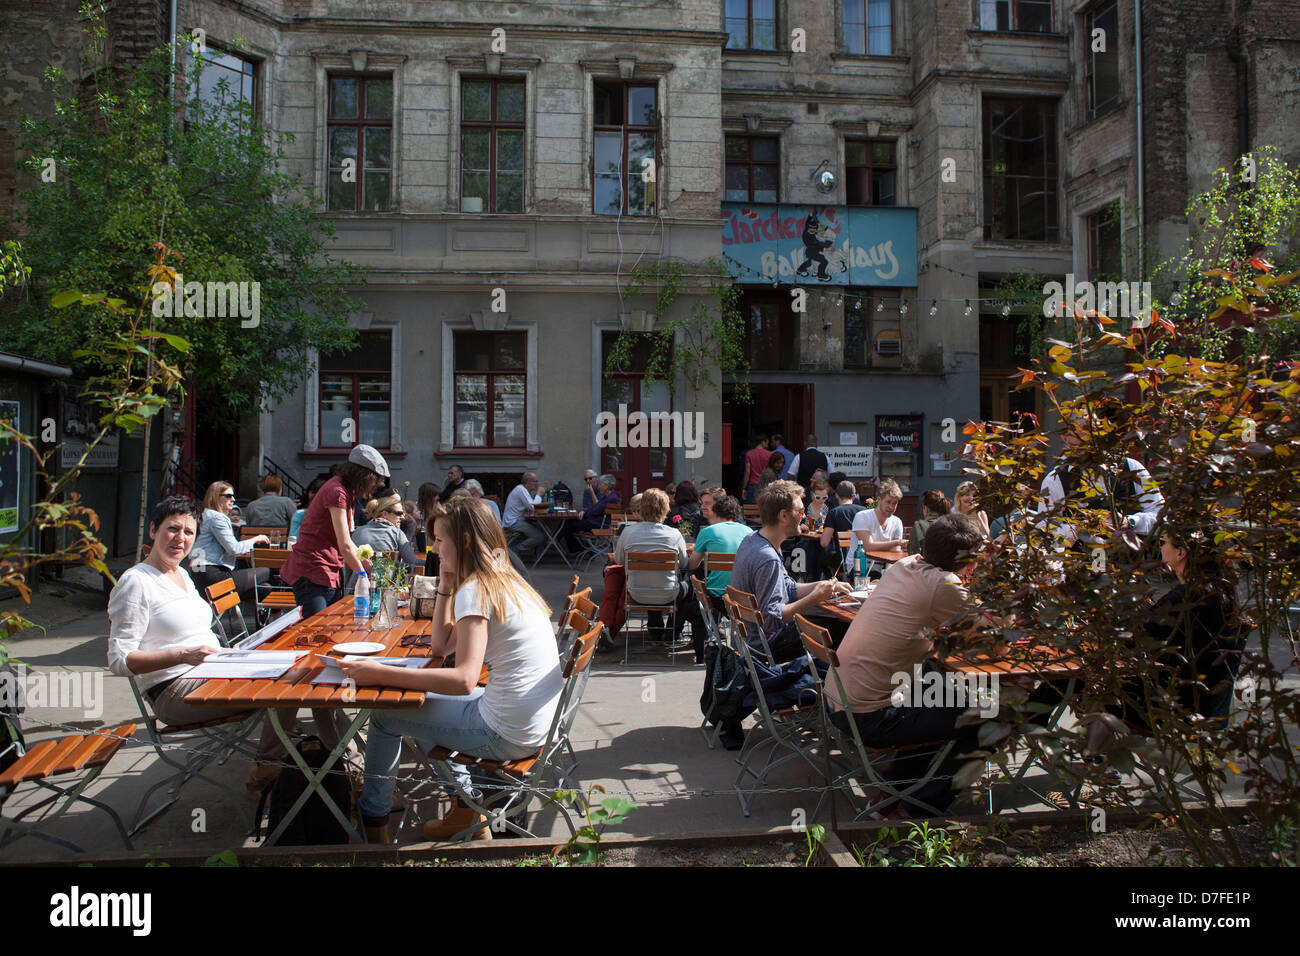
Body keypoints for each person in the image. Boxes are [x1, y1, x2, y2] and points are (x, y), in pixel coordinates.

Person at [346, 498, 564, 843]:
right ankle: (464, 808)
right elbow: (440, 647)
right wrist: (445, 582)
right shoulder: (503, 578)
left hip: (505, 733)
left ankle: (374, 824)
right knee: (416, 703)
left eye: (440, 540)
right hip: (532, 725)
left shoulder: (477, 589)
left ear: (463, 541)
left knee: (386, 714)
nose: (433, 547)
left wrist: (378, 673)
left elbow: (463, 679)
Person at [107, 497, 297, 799]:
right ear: (153, 531)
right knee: (290, 685)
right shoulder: (136, 582)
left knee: (302, 669)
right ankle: (270, 767)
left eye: (189, 532)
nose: (180, 539)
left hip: (213, 670)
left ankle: (314, 763)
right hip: (174, 691)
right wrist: (184, 655)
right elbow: (119, 661)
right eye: (172, 529)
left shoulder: (181, 574)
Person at [823, 513, 986, 817]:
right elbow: (993, 636)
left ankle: (893, 793)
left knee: (942, 695)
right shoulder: (944, 584)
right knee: (987, 714)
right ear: (967, 559)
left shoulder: (905, 564)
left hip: (839, 701)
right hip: (868, 717)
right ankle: (916, 810)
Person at [731, 480, 852, 663]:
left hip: (747, 641)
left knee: (829, 623)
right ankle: (834, 688)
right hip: (764, 646)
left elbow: (787, 587)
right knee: (843, 628)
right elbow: (772, 619)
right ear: (784, 516)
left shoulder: (753, 540)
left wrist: (821, 585)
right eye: (800, 511)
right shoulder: (767, 557)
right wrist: (815, 597)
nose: (804, 516)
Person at [280, 444, 389, 618]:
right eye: (374, 482)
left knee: (324, 629)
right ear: (364, 477)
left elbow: (348, 543)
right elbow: (345, 545)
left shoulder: (343, 490)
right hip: (312, 570)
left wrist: (367, 565)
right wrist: (362, 575)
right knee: (314, 631)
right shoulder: (337, 492)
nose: (374, 488)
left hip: (324, 571)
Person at [1038, 406, 1164, 544]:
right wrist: (1077, 529)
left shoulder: (1132, 468)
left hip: (1133, 560)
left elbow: (1161, 516)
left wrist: (1131, 522)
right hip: (1086, 561)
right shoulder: (1055, 480)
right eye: (1075, 446)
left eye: (1088, 445)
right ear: (1065, 439)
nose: (1083, 453)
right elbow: (1043, 534)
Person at [613, 488, 706, 661]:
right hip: (668, 594)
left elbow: (618, 560)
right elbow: (685, 564)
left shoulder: (627, 533)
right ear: (665, 509)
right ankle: (673, 631)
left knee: (650, 580)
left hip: (636, 593)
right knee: (689, 587)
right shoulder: (674, 534)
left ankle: (656, 631)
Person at [187, 481, 271, 599]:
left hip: (199, 573)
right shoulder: (217, 518)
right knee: (267, 571)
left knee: (264, 588)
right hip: (212, 575)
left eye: (233, 496)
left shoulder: (204, 514)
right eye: (228, 496)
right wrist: (256, 539)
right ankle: (280, 615)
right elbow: (234, 549)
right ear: (216, 497)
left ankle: (273, 616)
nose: (233, 499)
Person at [346, 487, 421, 591]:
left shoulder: (357, 532)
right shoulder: (397, 533)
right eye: (398, 513)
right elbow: (412, 562)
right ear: (385, 514)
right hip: (386, 590)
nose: (403, 517)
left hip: (355, 589)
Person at [689, 494, 752, 615]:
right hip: (743, 595)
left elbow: (692, 564)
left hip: (716, 594)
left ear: (716, 510)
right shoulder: (748, 532)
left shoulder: (708, 531)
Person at [851, 479, 907, 571]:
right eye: (888, 502)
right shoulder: (862, 517)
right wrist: (897, 542)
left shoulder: (897, 522)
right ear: (879, 500)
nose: (891, 507)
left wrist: (888, 574)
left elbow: (894, 553)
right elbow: (868, 547)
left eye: (895, 503)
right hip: (859, 567)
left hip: (882, 569)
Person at [562, 474, 618, 553]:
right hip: (597, 523)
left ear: (607, 486)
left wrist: (584, 513)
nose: (598, 487)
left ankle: (577, 549)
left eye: (601, 484)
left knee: (568, 525)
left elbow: (596, 510)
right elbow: (596, 508)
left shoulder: (610, 498)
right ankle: (577, 549)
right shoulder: (608, 496)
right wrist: (584, 512)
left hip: (598, 525)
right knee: (569, 524)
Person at [821, 480, 866, 575]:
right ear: (854, 497)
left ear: (836, 495)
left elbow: (824, 542)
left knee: (821, 557)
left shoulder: (834, 513)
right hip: (864, 559)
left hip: (842, 561)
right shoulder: (864, 512)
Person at [502, 471, 547, 562]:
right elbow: (534, 507)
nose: (538, 483)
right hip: (513, 522)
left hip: (519, 520)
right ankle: (515, 550)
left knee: (543, 530)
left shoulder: (524, 490)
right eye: (536, 481)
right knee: (539, 536)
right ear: (528, 483)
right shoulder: (520, 490)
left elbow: (531, 506)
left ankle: (536, 555)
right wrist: (538, 494)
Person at [910, 489, 952, 556]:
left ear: (926, 508)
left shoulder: (919, 526)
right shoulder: (953, 525)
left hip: (925, 565)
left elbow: (912, 554)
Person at [290, 475, 328, 540]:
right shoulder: (300, 514)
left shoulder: (331, 515)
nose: (315, 496)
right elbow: (294, 538)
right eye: (313, 492)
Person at [741, 434, 770, 504]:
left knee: (749, 510)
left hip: (753, 485)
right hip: (765, 485)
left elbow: (747, 472)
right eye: (767, 443)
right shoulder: (769, 454)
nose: (768, 445)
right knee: (765, 510)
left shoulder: (749, 454)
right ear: (763, 442)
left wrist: (744, 488)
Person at [415, 481, 442, 551]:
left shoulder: (438, 511)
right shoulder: (416, 512)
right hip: (418, 548)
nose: (438, 497)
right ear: (429, 497)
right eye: (436, 495)